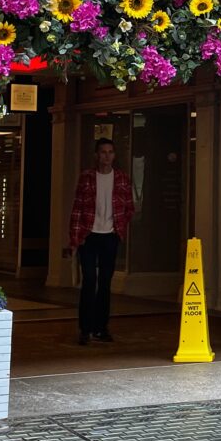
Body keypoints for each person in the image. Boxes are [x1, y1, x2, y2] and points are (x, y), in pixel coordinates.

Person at [65, 138, 134, 345]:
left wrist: (120, 227)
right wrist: (74, 239)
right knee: (89, 281)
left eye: (110, 152)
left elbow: (129, 207)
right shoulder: (87, 177)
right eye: (103, 152)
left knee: (105, 283)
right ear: (97, 155)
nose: (107, 156)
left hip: (110, 236)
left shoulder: (121, 178)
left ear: (114, 155)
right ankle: (85, 329)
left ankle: (101, 328)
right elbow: (77, 207)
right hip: (89, 235)